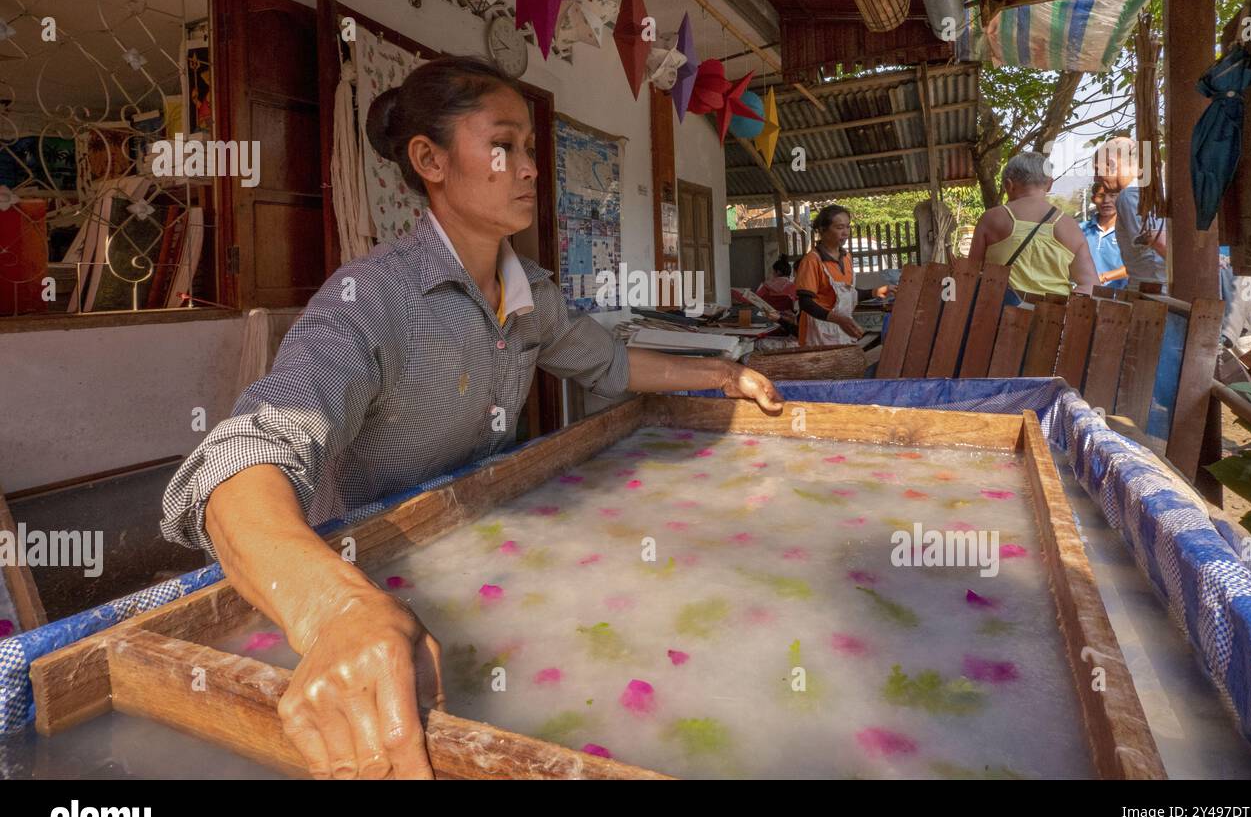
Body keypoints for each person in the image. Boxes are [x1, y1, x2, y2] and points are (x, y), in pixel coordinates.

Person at [159, 55, 782, 780]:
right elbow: (244, 461)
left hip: (481, 561)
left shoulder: (529, 295)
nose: (528, 169)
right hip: (368, 594)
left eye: (529, 150)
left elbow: (609, 362)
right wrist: (334, 609)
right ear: (429, 158)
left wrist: (720, 373)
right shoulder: (372, 297)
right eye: (504, 146)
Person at [966, 151, 1098, 298]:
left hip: (997, 313)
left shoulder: (992, 219)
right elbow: (1090, 285)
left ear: (1008, 185)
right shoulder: (1070, 226)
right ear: (1049, 184)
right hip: (1051, 315)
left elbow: (970, 273)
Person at [1094, 136, 1166, 292]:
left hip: (1152, 293)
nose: (1095, 178)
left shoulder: (1130, 194)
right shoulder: (1153, 189)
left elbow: (1158, 240)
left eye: (1097, 169)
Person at [795, 204, 865, 345]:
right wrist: (839, 319)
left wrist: (877, 292)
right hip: (816, 333)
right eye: (839, 228)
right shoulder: (812, 260)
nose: (845, 232)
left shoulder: (847, 257)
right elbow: (805, 303)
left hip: (840, 330)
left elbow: (848, 293)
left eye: (847, 226)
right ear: (823, 230)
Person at [1081, 182, 1128, 289]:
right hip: (1084, 295)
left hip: (1119, 298)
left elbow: (1136, 267)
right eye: (1101, 196)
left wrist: (1103, 277)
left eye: (1112, 195)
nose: (1106, 201)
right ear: (1093, 199)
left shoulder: (1129, 231)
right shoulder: (1080, 230)